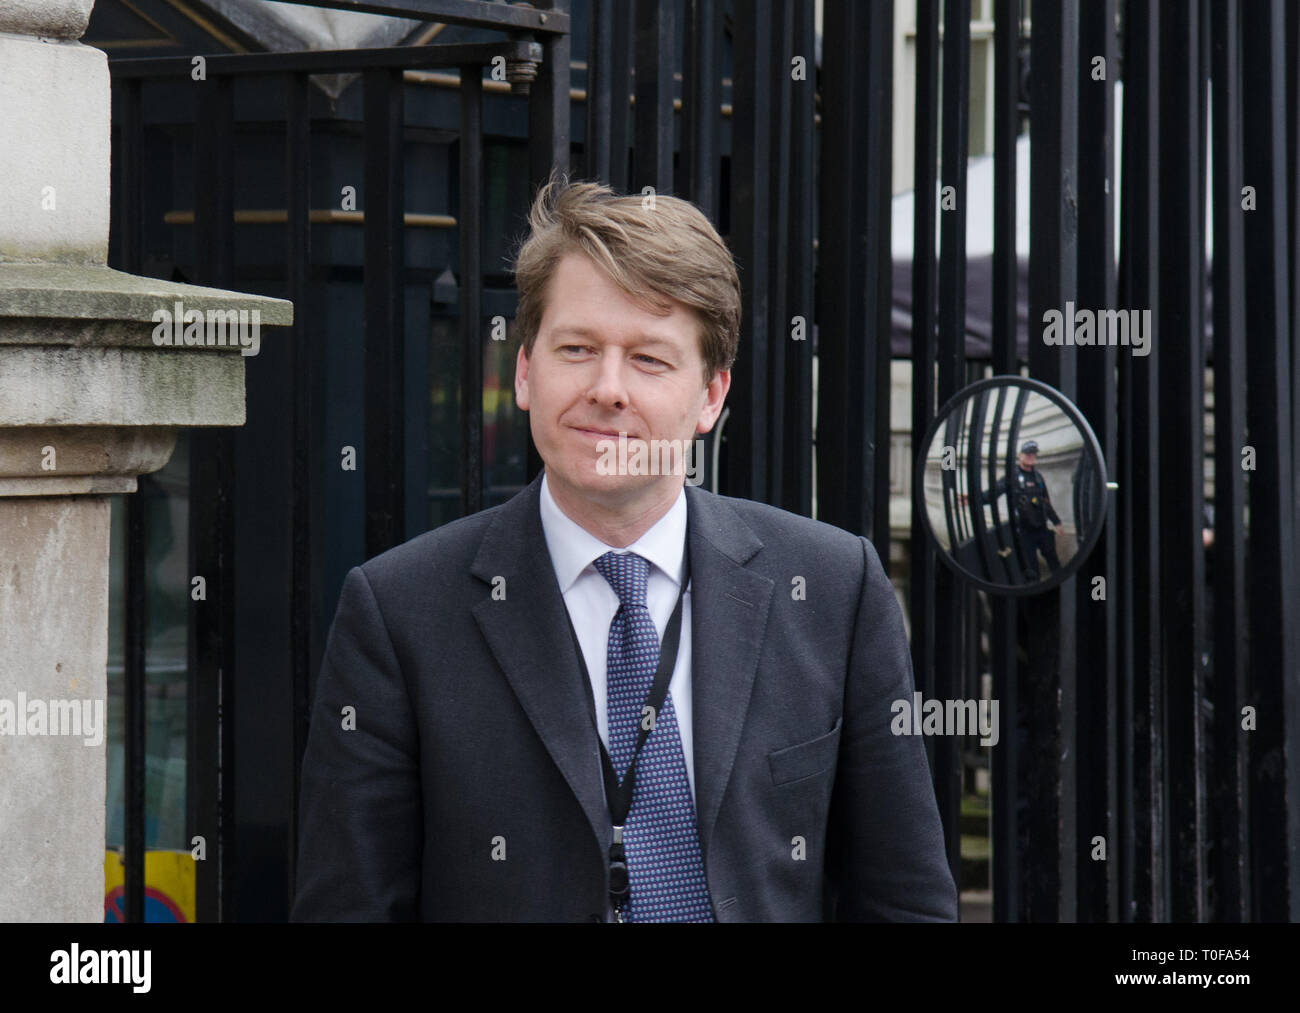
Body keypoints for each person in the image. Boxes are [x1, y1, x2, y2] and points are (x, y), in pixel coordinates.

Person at [290, 176, 957, 923]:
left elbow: (907, 902)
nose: (607, 388)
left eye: (649, 359)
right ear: (523, 370)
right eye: (577, 348)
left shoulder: (836, 590)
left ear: (711, 396)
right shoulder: (398, 612)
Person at [989, 440, 1061, 581]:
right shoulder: (1012, 477)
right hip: (1024, 532)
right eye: (1027, 453)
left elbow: (1045, 502)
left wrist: (1056, 522)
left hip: (1042, 529)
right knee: (1031, 570)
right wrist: (973, 498)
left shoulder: (1038, 477)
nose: (1030, 456)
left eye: (1033, 454)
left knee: (1054, 562)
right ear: (1020, 456)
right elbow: (993, 492)